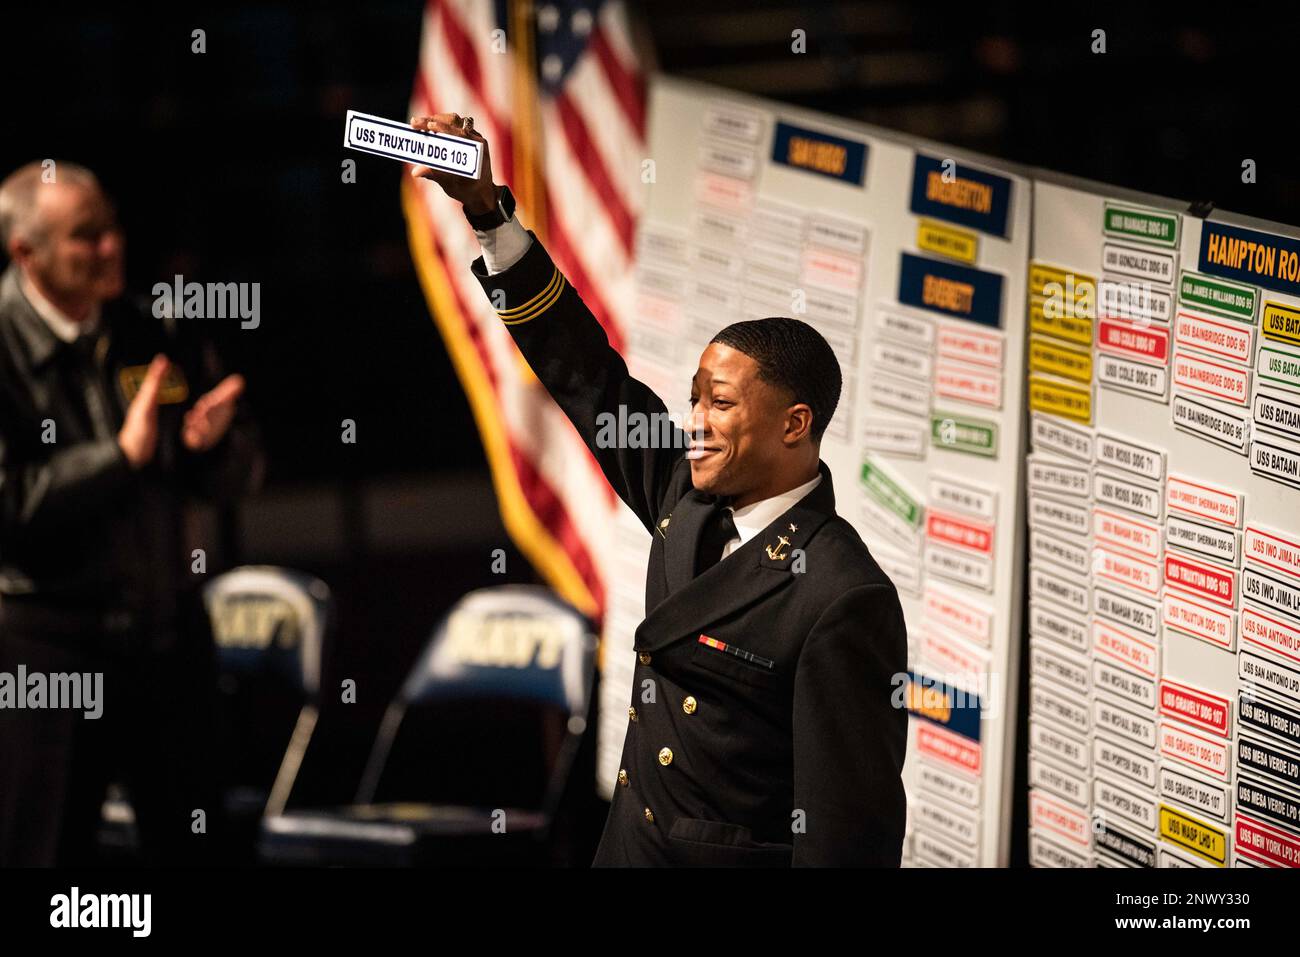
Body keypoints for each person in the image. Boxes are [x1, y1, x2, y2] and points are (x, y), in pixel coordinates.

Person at [411, 112, 908, 866]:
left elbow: (848, 835)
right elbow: (587, 375)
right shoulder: (687, 493)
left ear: (794, 424)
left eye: (722, 402)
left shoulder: (843, 594)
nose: (696, 422)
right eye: (695, 398)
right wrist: (486, 211)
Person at [0, 161, 263, 866]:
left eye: (113, 227)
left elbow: (235, 474)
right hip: (47, 645)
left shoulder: (155, 326)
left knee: (198, 846)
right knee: (46, 854)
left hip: (165, 632)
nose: (113, 246)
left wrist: (214, 448)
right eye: (86, 237)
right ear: (25, 251)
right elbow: (11, 500)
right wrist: (119, 458)